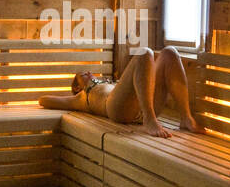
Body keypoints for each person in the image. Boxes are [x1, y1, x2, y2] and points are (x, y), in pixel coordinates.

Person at [39, 46, 202, 138]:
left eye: (88, 72)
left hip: (145, 103)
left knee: (170, 53)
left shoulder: (109, 82)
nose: (88, 73)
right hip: (118, 109)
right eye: (83, 75)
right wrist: (68, 97)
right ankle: (149, 119)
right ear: (77, 88)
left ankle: (186, 117)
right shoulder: (81, 97)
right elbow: (44, 100)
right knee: (144, 52)